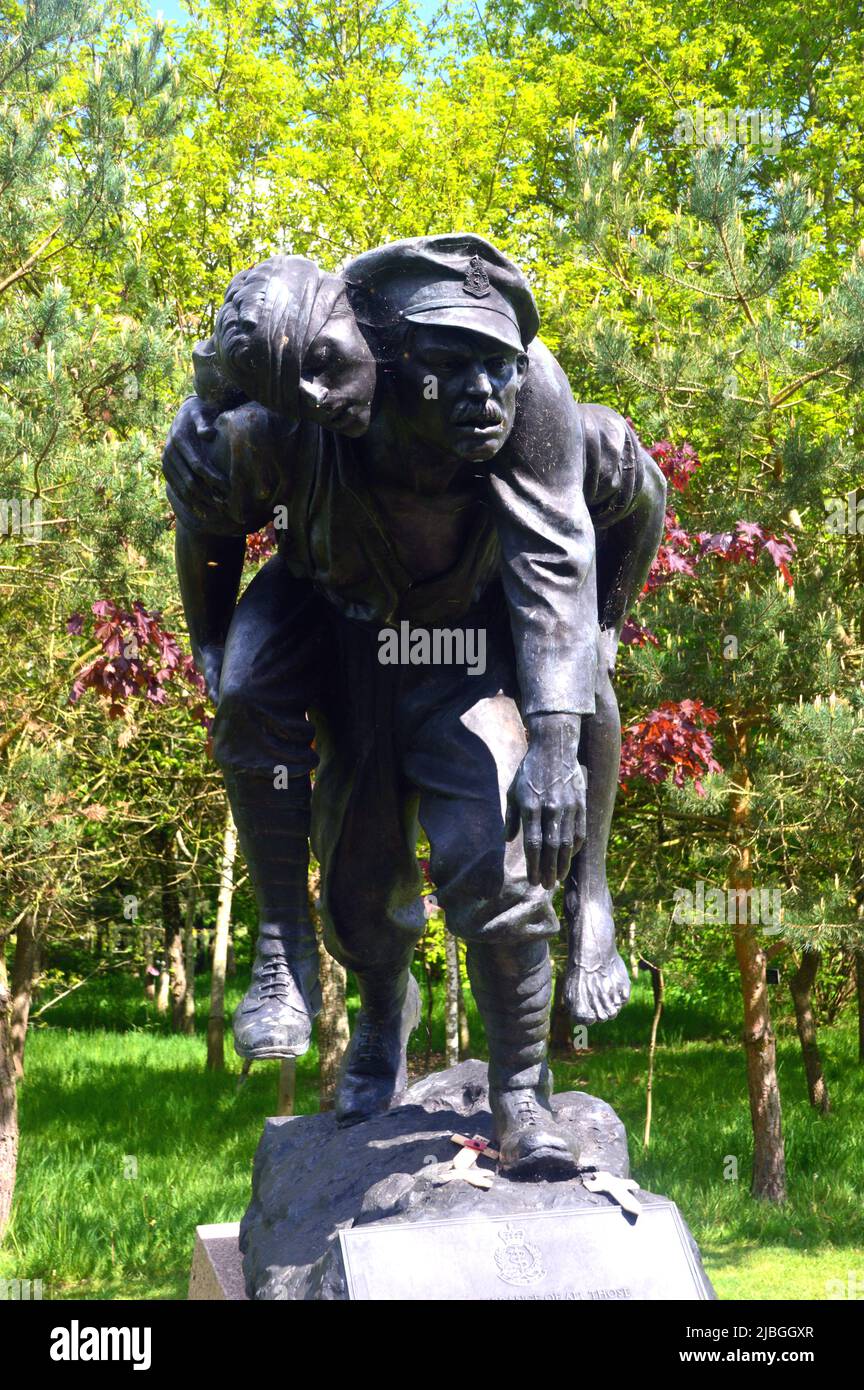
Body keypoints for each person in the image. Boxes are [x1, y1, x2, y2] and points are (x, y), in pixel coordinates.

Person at [163, 236, 663, 1174]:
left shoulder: (535, 400)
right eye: (451, 368)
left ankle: (522, 1096)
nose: (481, 393)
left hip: (467, 649)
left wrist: (558, 734)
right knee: (357, 890)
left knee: (499, 864)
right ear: (390, 364)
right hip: (343, 632)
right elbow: (207, 507)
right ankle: (368, 1018)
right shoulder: (303, 411)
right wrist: (209, 639)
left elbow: (562, 562)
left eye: (497, 368)